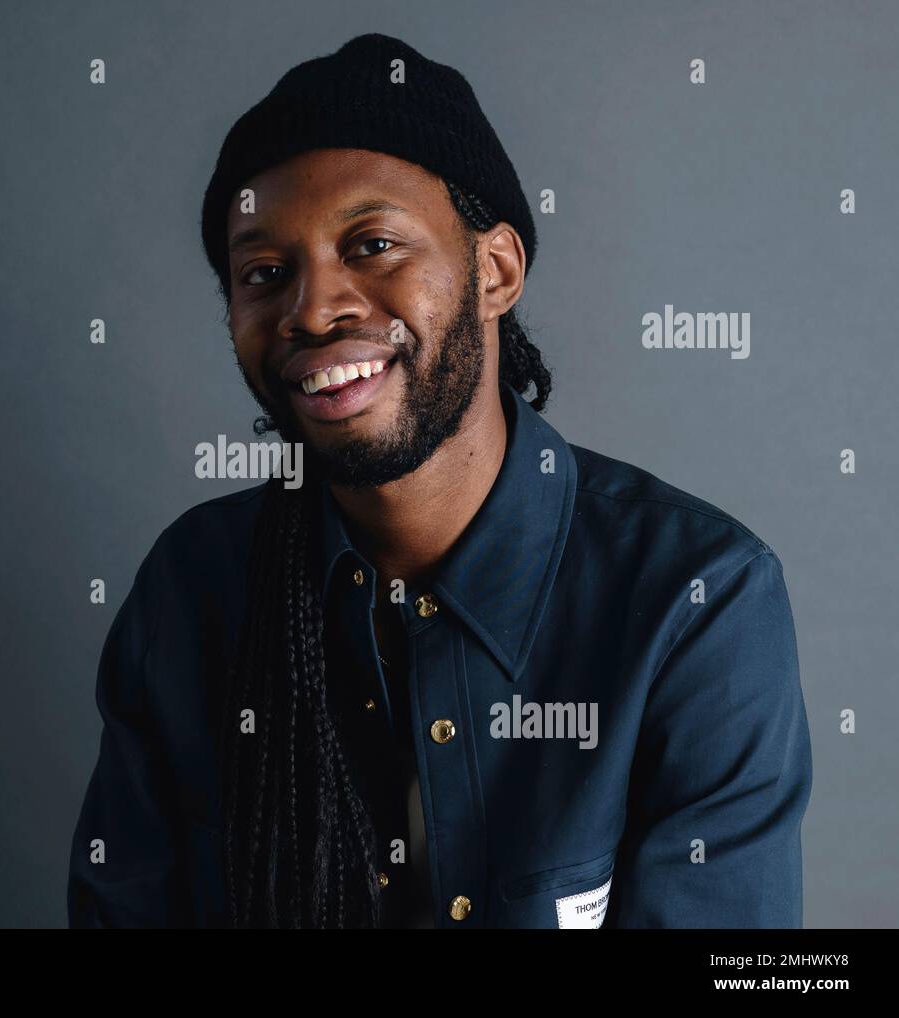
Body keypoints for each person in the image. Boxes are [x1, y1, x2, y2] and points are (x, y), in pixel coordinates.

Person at [67, 32, 812, 929]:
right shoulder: (191, 595)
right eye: (264, 272)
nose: (312, 307)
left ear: (494, 271)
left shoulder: (695, 603)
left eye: (372, 243)